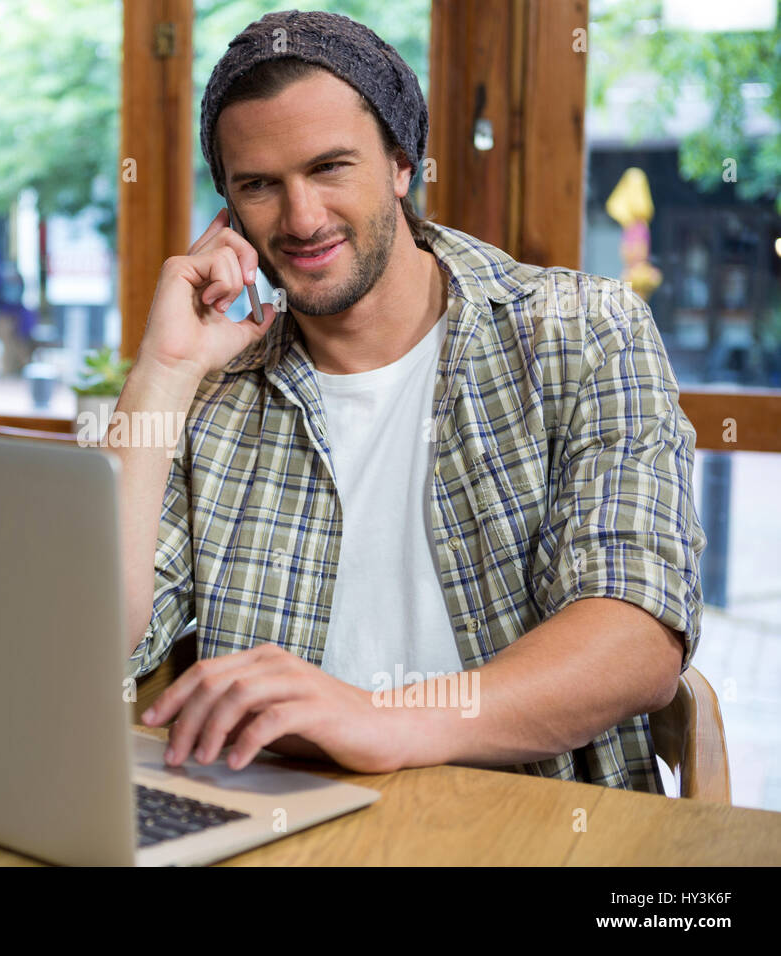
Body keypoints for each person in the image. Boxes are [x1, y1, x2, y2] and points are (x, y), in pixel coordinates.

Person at [113, 10, 705, 793]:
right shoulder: (214, 391)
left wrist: (375, 719)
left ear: (401, 163)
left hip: (533, 831)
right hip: (278, 834)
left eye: (330, 167)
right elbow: (90, 640)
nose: (300, 219)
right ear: (227, 208)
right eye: (259, 185)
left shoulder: (584, 330)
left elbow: (636, 640)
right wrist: (162, 370)